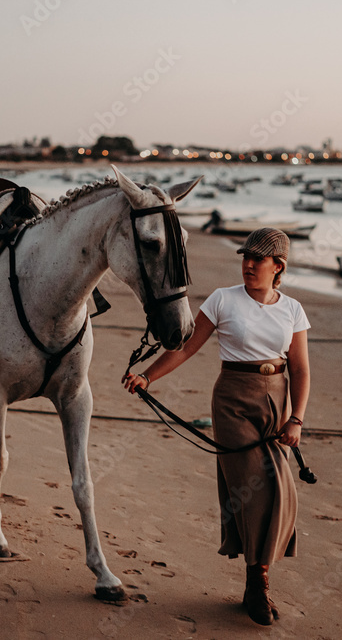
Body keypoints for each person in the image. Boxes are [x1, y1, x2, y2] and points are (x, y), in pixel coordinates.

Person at [122, 227, 310, 626]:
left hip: (277, 401)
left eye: (257, 259)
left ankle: (254, 576)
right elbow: (187, 347)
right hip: (232, 402)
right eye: (245, 257)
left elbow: (300, 368)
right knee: (256, 486)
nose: (248, 264)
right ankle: (258, 583)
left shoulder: (292, 309)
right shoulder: (223, 299)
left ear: (278, 266)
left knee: (280, 490)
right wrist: (148, 377)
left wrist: (297, 418)